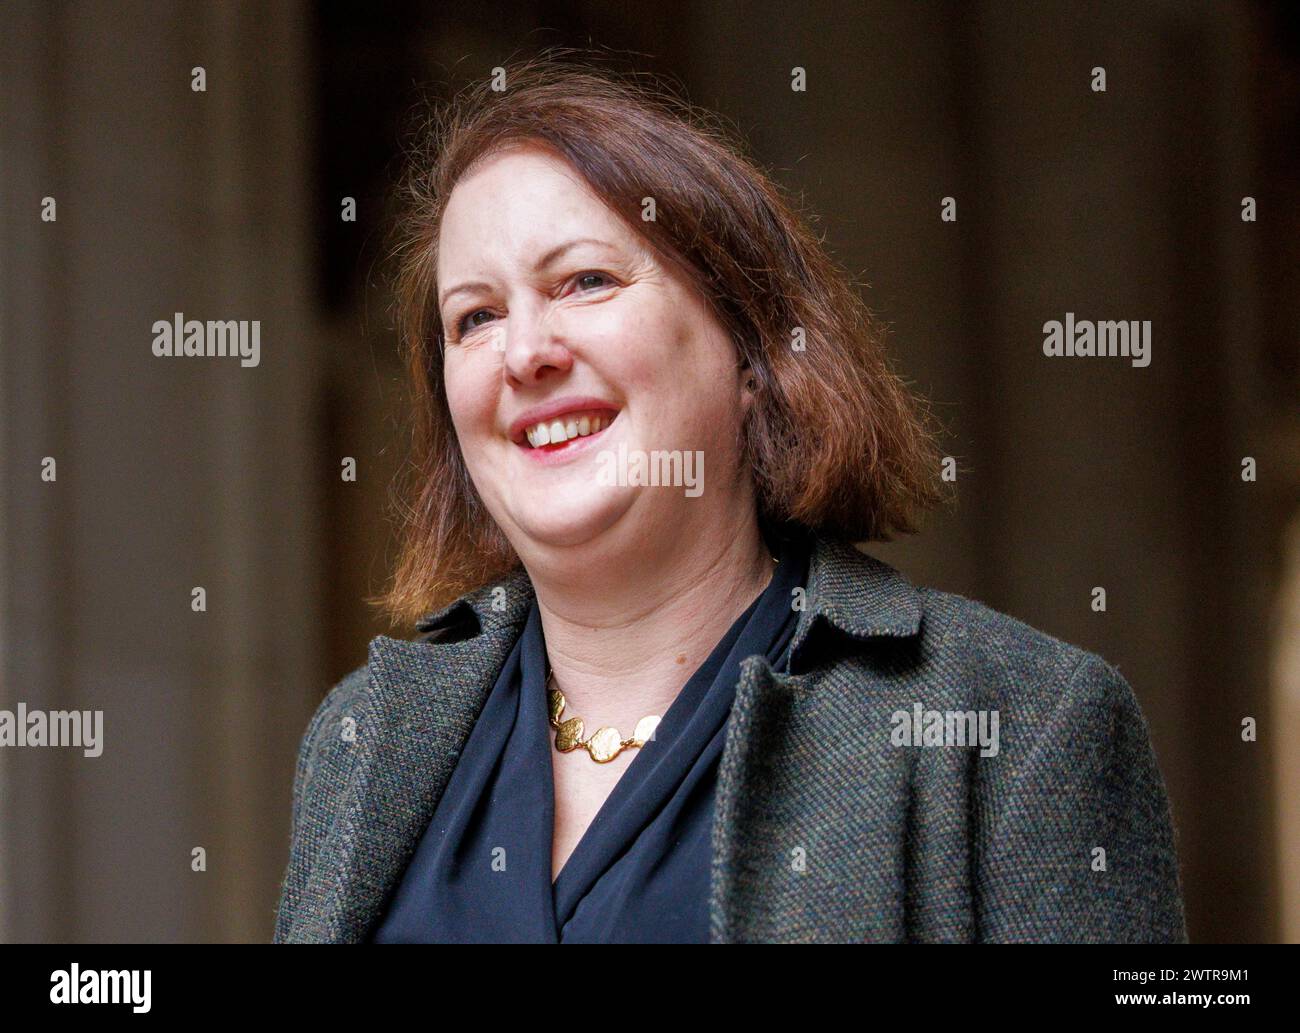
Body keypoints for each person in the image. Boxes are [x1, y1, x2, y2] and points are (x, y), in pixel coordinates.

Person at [273, 57, 1186, 943]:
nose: (524, 354)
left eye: (585, 280)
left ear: (753, 351)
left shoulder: (1024, 726)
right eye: (475, 316)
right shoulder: (365, 740)